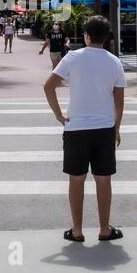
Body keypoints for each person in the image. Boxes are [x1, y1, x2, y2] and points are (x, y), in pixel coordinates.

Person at [42, 15, 126, 243]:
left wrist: (59, 115)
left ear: (86, 35)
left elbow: (48, 86)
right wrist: (116, 129)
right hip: (104, 128)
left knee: (76, 180)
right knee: (104, 180)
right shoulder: (114, 61)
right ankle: (104, 229)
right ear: (107, 37)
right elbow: (119, 101)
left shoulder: (72, 58)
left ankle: (77, 230)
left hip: (76, 128)